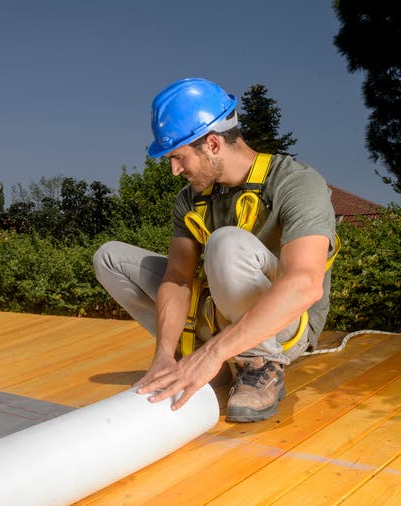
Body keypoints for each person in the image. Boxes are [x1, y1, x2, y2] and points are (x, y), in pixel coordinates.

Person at [93, 78, 337, 422]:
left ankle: (259, 365)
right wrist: (164, 353)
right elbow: (177, 278)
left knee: (225, 241)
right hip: (221, 315)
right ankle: (200, 361)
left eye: (179, 157)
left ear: (212, 144)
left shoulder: (296, 182)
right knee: (109, 257)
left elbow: (304, 284)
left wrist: (211, 353)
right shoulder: (191, 199)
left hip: (285, 328)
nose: (175, 170)